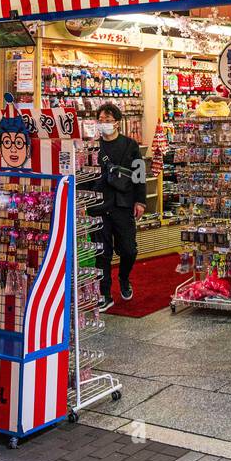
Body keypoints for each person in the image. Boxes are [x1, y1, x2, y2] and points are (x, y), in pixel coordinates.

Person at [96, 103, 145, 308]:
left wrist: (140, 201)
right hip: (98, 204)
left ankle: (124, 278)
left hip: (123, 204)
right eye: (101, 121)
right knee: (102, 252)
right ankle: (105, 294)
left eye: (107, 120)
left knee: (128, 249)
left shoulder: (130, 145)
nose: (104, 124)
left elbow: (140, 173)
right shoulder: (93, 145)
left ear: (117, 122)